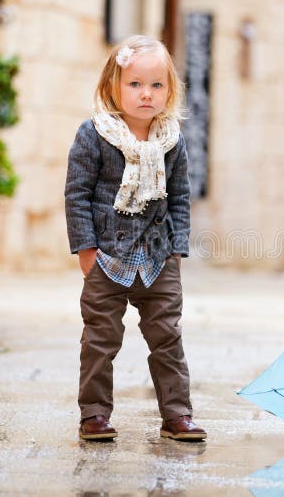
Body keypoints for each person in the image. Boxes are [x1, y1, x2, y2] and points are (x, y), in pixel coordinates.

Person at [64, 35, 205, 441]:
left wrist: (178, 249)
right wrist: (86, 248)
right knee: (100, 338)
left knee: (167, 337)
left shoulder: (171, 140)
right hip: (107, 256)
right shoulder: (94, 135)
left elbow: (179, 196)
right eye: (135, 84)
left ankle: (177, 415)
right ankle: (94, 414)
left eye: (157, 85)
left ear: (170, 91)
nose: (146, 94)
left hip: (158, 257)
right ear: (113, 86)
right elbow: (77, 195)